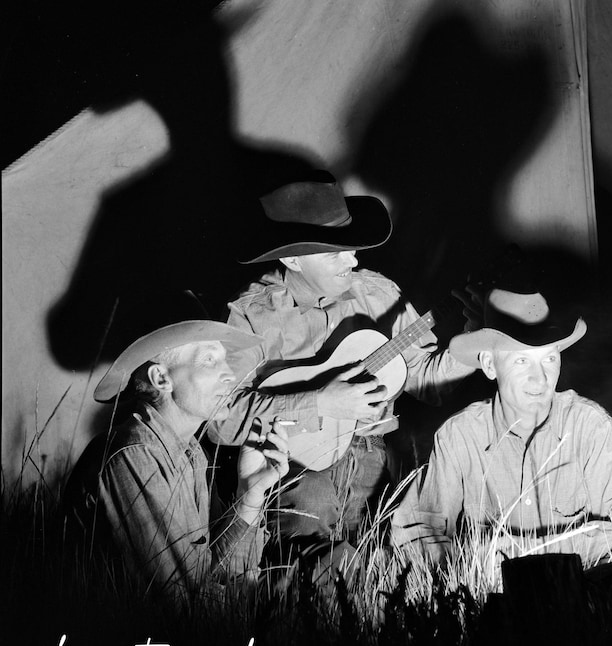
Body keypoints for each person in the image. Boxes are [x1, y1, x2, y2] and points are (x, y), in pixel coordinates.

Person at [206, 169, 479, 562]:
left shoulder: (376, 293)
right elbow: (221, 419)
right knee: (305, 585)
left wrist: (477, 340)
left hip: (373, 463)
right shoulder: (251, 315)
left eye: (350, 247)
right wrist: (320, 402)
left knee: (375, 579)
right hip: (294, 471)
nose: (353, 258)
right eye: (335, 251)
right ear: (294, 259)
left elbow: (426, 379)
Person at [390, 281, 612, 577]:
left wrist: (513, 557)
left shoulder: (590, 426)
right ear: (489, 364)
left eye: (549, 358)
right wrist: (469, 567)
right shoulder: (460, 436)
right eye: (522, 360)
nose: (540, 379)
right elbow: (414, 533)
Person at [66, 319, 289, 603]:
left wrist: (249, 495)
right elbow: (181, 604)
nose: (231, 375)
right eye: (209, 360)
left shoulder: (192, 452)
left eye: (225, 361)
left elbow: (209, 574)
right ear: (161, 378)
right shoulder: (135, 454)